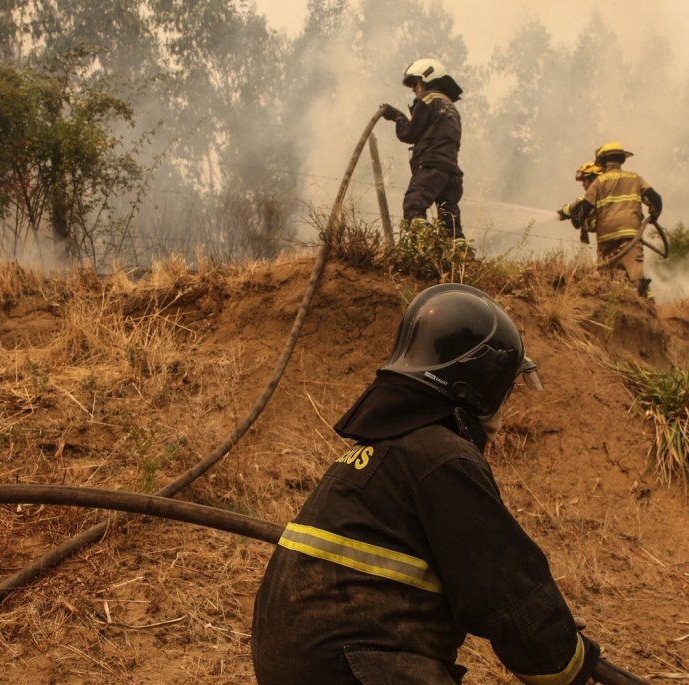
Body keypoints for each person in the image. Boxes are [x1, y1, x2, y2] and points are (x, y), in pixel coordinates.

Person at [251, 283, 601, 685]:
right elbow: (507, 586)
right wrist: (569, 663)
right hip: (354, 667)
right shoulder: (439, 457)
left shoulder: (381, 453)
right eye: (504, 392)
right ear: (475, 387)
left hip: (308, 663)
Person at [380, 58, 466, 241]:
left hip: (431, 167)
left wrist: (398, 117)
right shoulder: (450, 106)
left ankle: (427, 248)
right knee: (449, 221)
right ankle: (461, 259)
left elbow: (409, 134)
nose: (413, 89)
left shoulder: (427, 99)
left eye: (414, 83)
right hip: (451, 172)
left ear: (425, 78)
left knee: (414, 206)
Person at [583, 141, 662, 298]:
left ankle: (610, 307)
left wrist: (583, 226)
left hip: (606, 237)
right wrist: (654, 214)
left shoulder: (599, 182)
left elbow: (585, 208)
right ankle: (644, 308)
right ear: (622, 159)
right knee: (635, 278)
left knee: (606, 277)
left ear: (603, 163)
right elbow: (656, 199)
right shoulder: (635, 178)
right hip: (630, 237)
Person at [557, 162, 602, 245]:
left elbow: (574, 206)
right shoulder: (609, 191)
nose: (583, 184)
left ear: (592, 179)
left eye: (584, 180)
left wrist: (563, 211)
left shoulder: (590, 196)